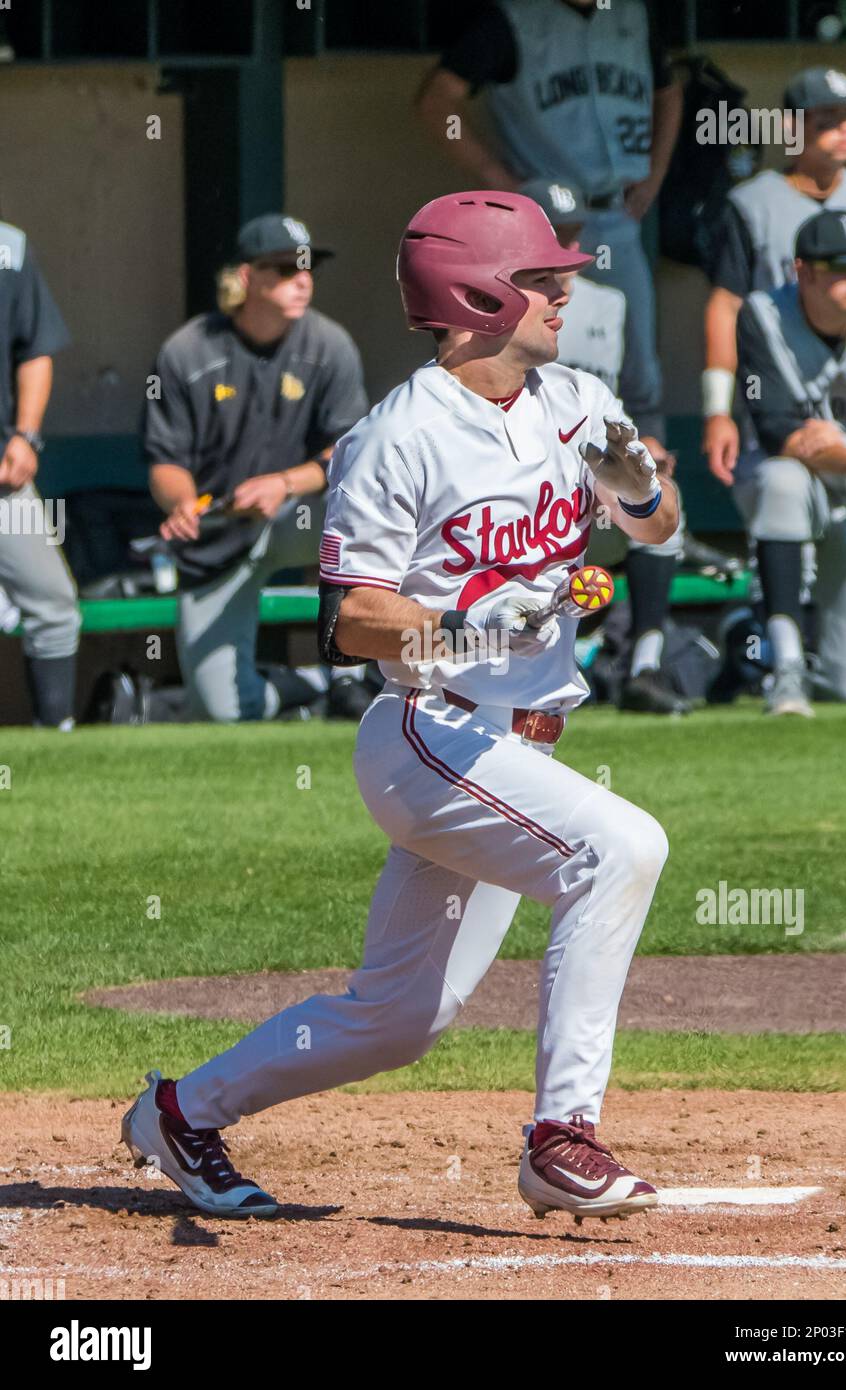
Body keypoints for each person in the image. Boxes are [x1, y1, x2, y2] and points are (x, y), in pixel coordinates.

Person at [121, 189, 677, 1224]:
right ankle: (563, 1136)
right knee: (620, 847)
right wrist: (471, 625)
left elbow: (655, 527)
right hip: (431, 731)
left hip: (516, 749)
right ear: (476, 294)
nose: (566, 291)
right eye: (542, 278)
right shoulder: (397, 435)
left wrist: (637, 486)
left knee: (398, 1019)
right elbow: (355, 621)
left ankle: (181, 1110)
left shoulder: (576, 400)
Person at [417, 1, 684, 710]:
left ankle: (643, 651)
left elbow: (671, 85)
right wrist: (504, 192)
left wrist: (654, 176)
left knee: (637, 424)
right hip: (534, 221)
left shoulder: (633, 16)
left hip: (616, 220)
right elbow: (435, 101)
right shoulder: (512, 21)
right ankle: (522, 648)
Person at [702, 67, 846, 706]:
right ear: (792, 130)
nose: (844, 132)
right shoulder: (753, 204)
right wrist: (718, 410)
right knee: (784, 482)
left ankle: (810, 647)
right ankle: (777, 651)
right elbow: (725, 305)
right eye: (828, 120)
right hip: (784, 397)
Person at [143, 213, 370, 722]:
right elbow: (165, 461)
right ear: (247, 277)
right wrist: (181, 503)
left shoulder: (329, 345)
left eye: (309, 267)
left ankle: (352, 675)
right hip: (222, 533)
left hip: (299, 520)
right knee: (223, 711)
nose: (303, 279)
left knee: (365, 516)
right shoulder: (187, 351)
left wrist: (285, 483)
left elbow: (349, 453)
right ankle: (312, 682)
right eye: (286, 269)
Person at [522, 177, 736, 714]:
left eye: (573, 236)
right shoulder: (516, 311)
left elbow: (640, 392)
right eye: (554, 236)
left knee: (657, 499)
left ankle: (645, 665)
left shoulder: (609, 303)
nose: (568, 251)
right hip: (533, 485)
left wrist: (651, 447)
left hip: (598, 479)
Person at [735, 209, 846, 712]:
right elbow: (777, 432)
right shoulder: (763, 314)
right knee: (782, 479)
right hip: (798, 486)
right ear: (803, 271)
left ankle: (811, 660)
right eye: (841, 264)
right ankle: (786, 664)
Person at [0, 218, 76, 728]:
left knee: (53, 603)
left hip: (2, 471)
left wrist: (26, 434)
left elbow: (36, 348)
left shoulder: (9, 246)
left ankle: (59, 740)